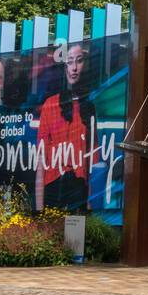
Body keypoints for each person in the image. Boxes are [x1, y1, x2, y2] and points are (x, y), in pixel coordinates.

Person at [35, 43, 95, 211]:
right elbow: (41, 159)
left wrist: (89, 201)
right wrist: (39, 209)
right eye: (69, 62)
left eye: (79, 61)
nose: (74, 68)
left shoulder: (89, 107)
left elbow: (91, 160)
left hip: (79, 188)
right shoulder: (50, 104)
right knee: (53, 233)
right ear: (64, 67)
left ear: (85, 65)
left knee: (75, 235)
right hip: (53, 185)